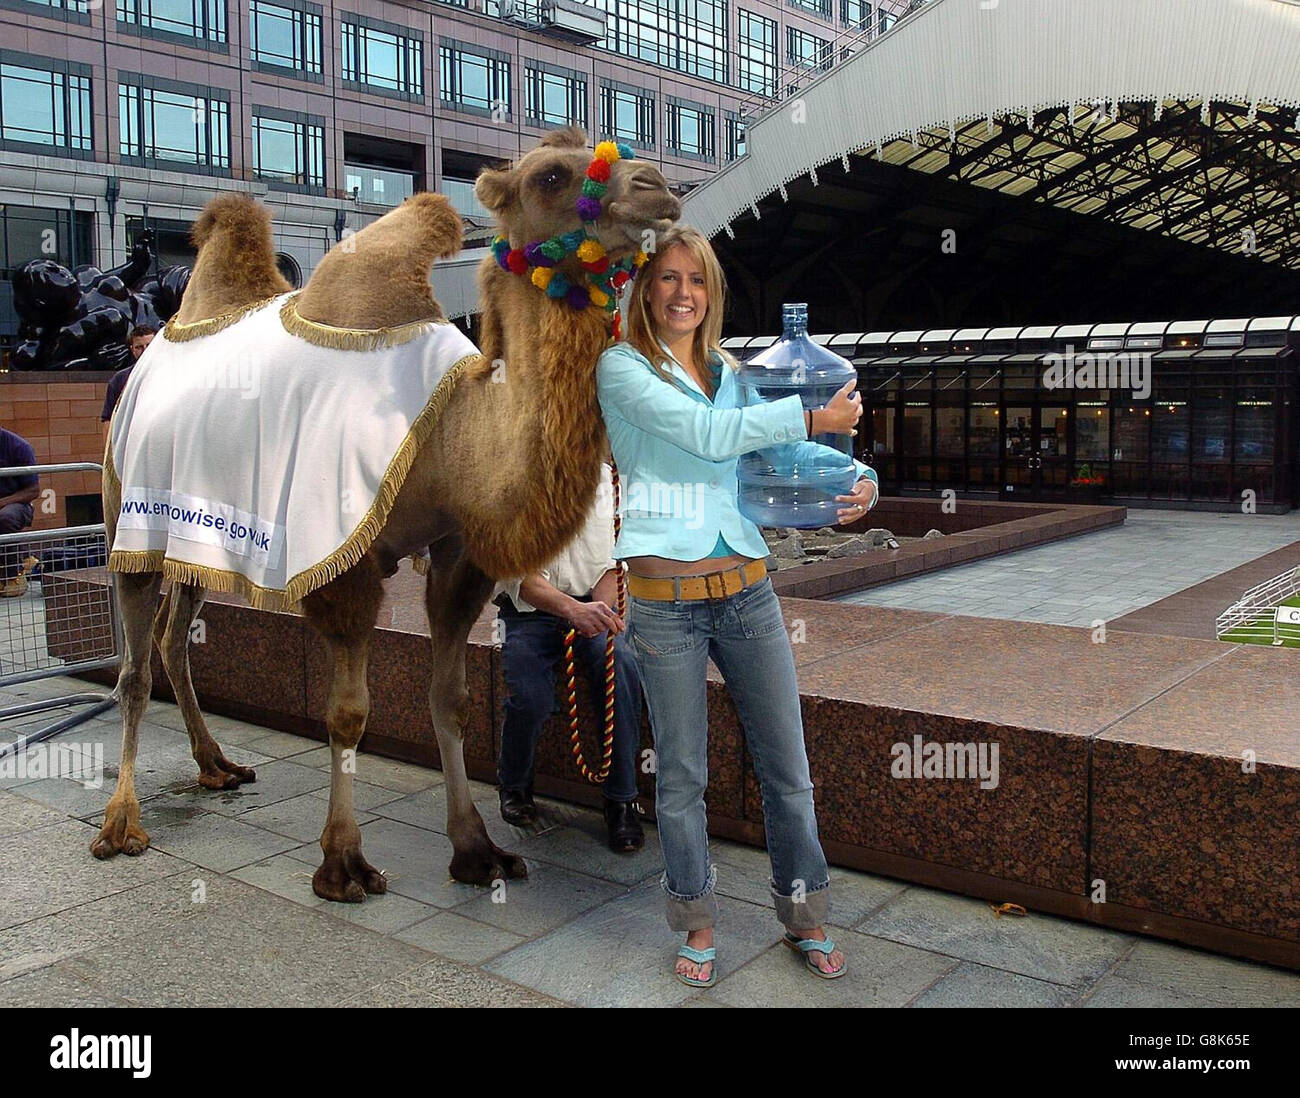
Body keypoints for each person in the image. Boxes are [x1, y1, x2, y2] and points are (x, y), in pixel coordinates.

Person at [595, 224, 879, 988]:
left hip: (748, 594)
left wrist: (857, 476)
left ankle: (804, 913)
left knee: (787, 766)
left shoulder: (729, 370)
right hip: (664, 604)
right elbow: (705, 434)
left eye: (697, 279)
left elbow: (776, 458)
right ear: (643, 289)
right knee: (682, 775)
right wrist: (811, 415)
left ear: (711, 293)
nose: (683, 292)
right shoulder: (621, 369)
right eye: (667, 278)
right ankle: (697, 919)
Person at [494, 459, 646, 853]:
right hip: (530, 613)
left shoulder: (610, 482)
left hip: (595, 606)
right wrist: (571, 611)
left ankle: (622, 800)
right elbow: (520, 579)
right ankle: (515, 784)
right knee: (530, 697)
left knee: (621, 667)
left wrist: (600, 611)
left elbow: (617, 565)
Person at [0, 425, 40, 597]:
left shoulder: (18, 446)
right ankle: (25, 557)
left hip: (18, 503)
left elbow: (33, 490)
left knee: (5, 517)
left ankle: (13, 577)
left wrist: (2, 502)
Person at [101, 324, 156, 435]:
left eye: (149, 346)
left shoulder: (172, 375)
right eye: (139, 347)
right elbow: (108, 420)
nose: (145, 351)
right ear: (132, 349)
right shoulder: (119, 379)